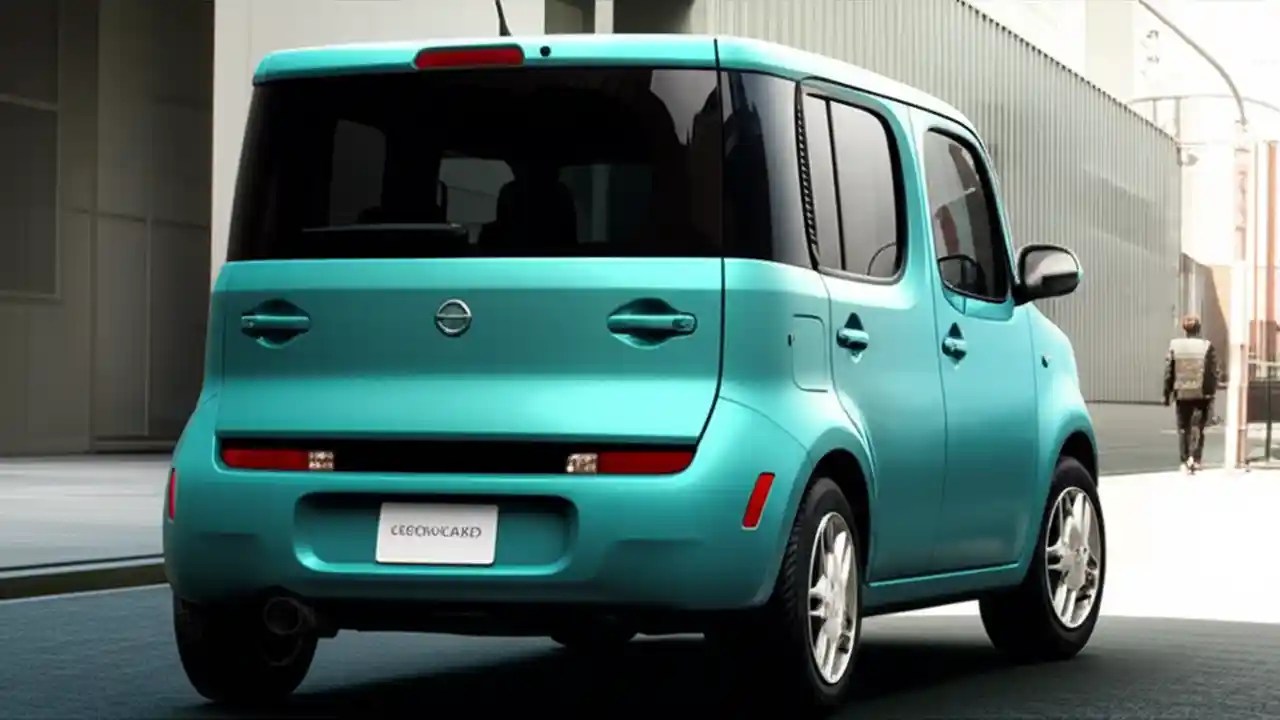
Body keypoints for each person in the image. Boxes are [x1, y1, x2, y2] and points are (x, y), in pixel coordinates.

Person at [1163, 314, 1219, 473]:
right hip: (1201, 394)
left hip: (1182, 393)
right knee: (1197, 428)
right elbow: (1212, 371)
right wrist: (1211, 393)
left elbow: (1169, 371)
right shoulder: (1206, 346)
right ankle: (1196, 459)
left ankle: (1183, 460)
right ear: (1198, 329)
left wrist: (1167, 393)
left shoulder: (1174, 345)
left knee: (1183, 428)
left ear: (1184, 329)